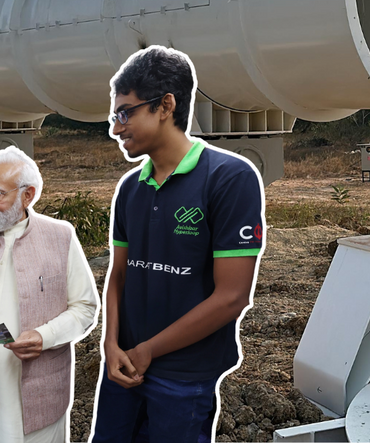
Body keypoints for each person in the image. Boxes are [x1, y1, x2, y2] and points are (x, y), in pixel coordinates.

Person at [89, 46, 265, 443]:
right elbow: (118, 276)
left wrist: (149, 349)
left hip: (184, 376)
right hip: (122, 368)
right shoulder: (130, 188)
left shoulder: (228, 178)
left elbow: (232, 296)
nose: (116, 128)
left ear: (165, 105)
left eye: (125, 112)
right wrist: (111, 344)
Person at [0, 146, 98, 443]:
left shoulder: (60, 236)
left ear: (28, 195)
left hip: (41, 398)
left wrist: (45, 336)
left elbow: (85, 307)